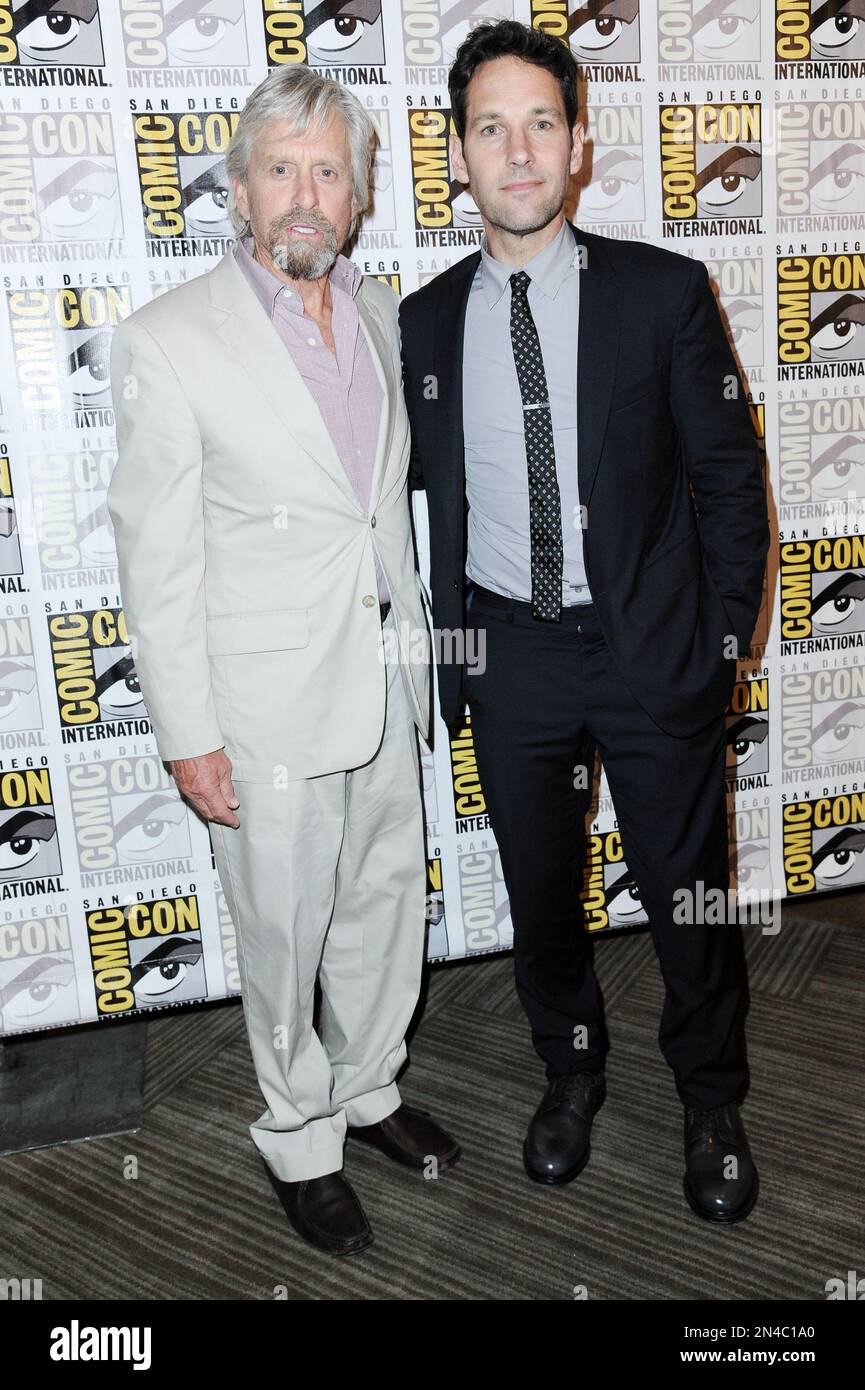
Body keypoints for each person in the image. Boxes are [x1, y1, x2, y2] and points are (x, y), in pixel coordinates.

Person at [399, 19, 770, 1223]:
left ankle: (711, 1097)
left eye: (540, 124)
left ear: (578, 149)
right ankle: (571, 1070)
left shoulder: (662, 293)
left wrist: (717, 644)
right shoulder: (422, 322)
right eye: (490, 128)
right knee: (541, 891)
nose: (517, 151)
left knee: (687, 891)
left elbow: (730, 487)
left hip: (650, 647)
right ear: (457, 154)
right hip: (510, 654)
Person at [107, 64, 459, 1259]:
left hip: (379, 684)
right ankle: (300, 1134)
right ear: (241, 192)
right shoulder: (168, 340)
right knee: (283, 935)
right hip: (258, 712)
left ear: (356, 198)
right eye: (280, 169)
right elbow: (157, 559)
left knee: (377, 911)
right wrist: (188, 730)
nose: (305, 194)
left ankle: (368, 1092)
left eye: (329, 171)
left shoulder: (377, 313)